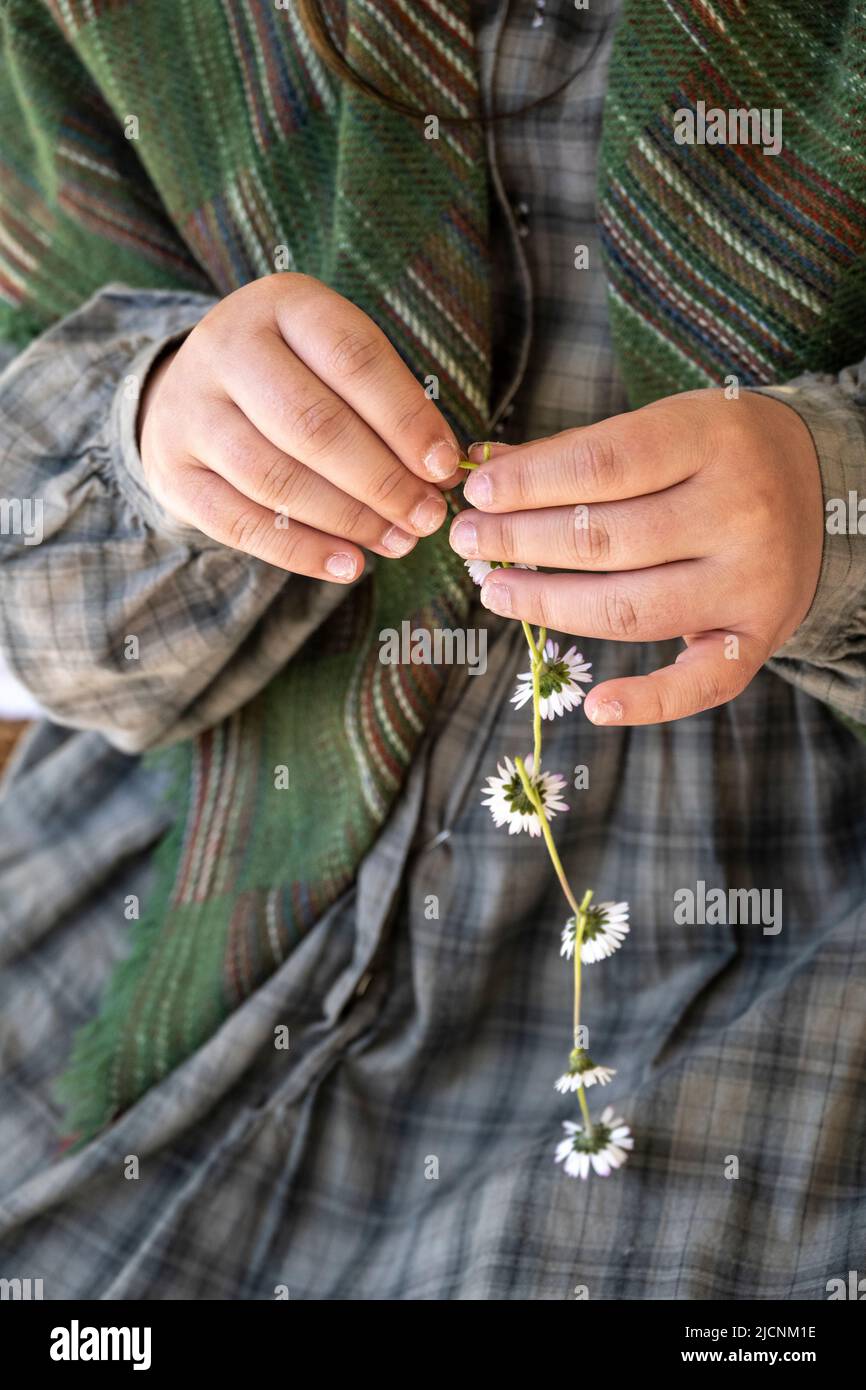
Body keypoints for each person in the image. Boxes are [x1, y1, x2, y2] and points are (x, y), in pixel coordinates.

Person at [1, 0, 865, 1300]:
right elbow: (36, 596)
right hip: (179, 875)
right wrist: (159, 427)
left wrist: (832, 505)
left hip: (760, 948)